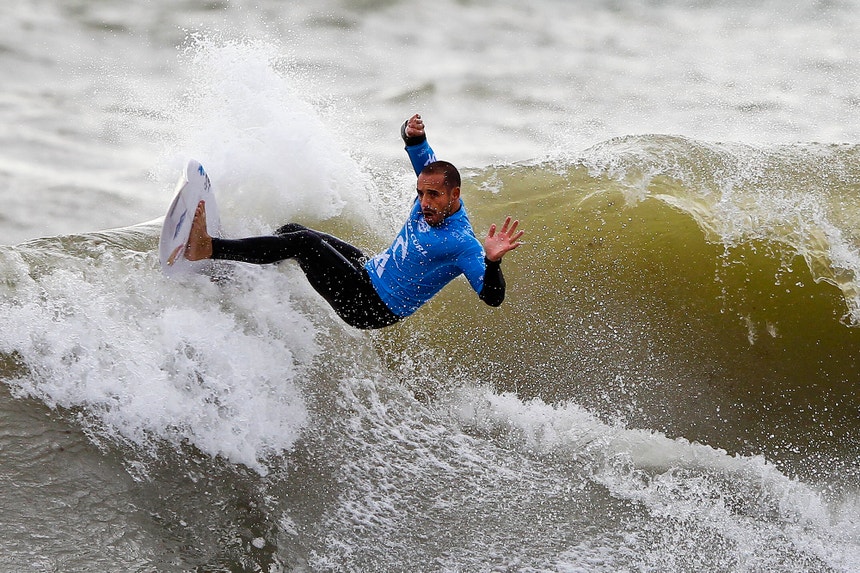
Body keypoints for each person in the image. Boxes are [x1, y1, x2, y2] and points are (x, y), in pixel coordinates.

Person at [184, 113, 524, 329]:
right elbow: (421, 152)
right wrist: (411, 134)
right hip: (370, 271)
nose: (424, 203)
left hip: (373, 306)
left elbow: (492, 298)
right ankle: (236, 276)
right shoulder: (431, 186)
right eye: (420, 193)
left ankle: (207, 248)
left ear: (454, 195)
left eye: (433, 196)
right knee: (293, 232)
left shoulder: (462, 243)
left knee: (303, 245)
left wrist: (493, 262)